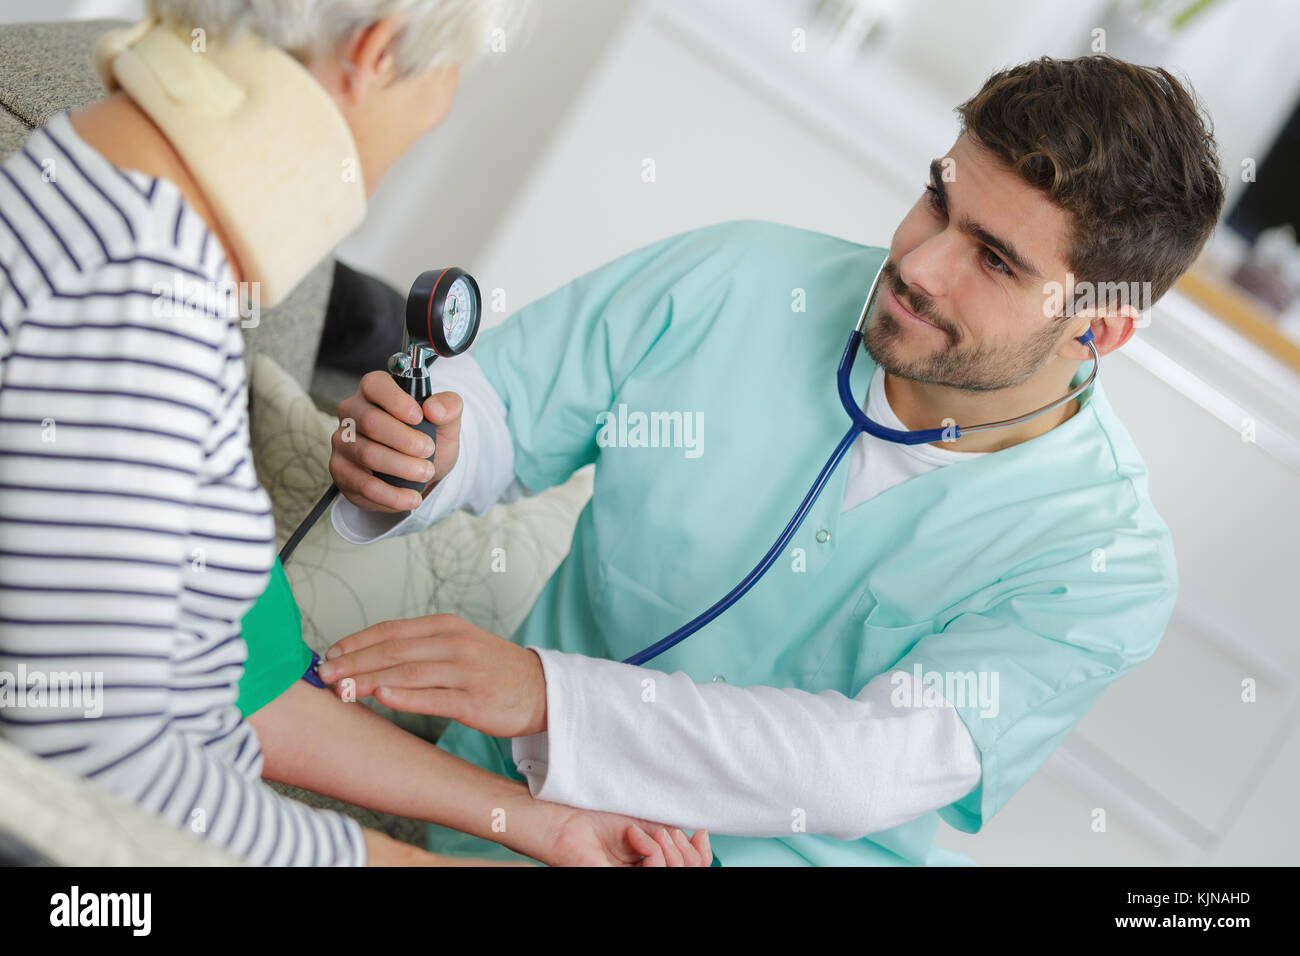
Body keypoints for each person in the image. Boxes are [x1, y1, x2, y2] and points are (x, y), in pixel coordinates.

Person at [320, 55, 1226, 865]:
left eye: (994, 260)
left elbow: (878, 763)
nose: (920, 265)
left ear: (1097, 326)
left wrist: (554, 698)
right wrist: (422, 456)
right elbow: (503, 408)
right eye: (940, 202)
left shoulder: (1105, 566)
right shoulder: (740, 279)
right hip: (504, 813)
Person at [0, 1, 708, 867]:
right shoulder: (142, 290)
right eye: (448, 82)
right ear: (374, 54)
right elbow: (91, 769)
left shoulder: (97, 184)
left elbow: (222, 684)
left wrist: (542, 825)